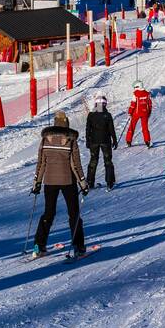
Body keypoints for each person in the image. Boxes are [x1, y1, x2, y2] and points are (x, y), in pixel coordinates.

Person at [31, 111, 90, 257]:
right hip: (67, 181)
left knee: (48, 213)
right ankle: (79, 247)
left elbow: (41, 163)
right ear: (67, 124)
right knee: (74, 214)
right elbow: (75, 165)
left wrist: (37, 183)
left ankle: (39, 246)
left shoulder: (45, 140)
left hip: (49, 182)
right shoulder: (70, 140)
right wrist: (83, 183)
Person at [84, 93, 118, 190]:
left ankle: (90, 182)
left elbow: (88, 129)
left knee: (93, 160)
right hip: (105, 141)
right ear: (104, 104)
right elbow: (111, 129)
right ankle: (110, 182)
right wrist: (114, 140)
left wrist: (87, 140)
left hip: (93, 141)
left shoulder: (91, 115)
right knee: (108, 161)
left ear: (95, 104)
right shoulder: (107, 115)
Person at [125, 80, 153, 147]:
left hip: (136, 113)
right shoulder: (147, 94)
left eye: (135, 87)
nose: (134, 88)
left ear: (138, 86)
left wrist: (130, 112)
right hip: (145, 113)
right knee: (145, 127)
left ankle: (128, 140)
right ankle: (147, 141)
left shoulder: (135, 94)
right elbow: (149, 104)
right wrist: (149, 112)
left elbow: (133, 104)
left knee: (132, 126)